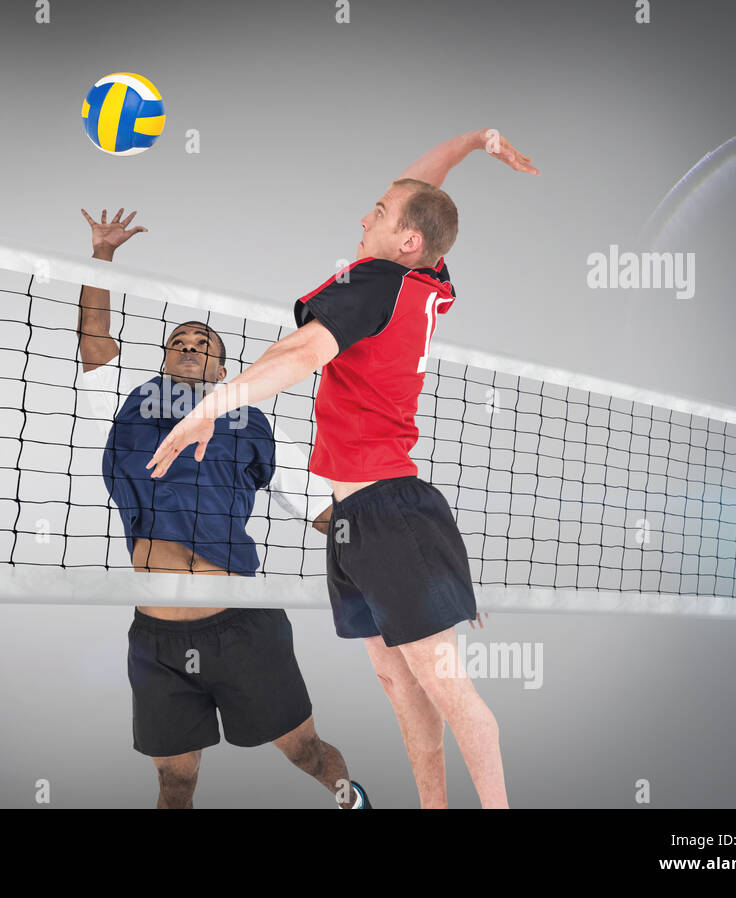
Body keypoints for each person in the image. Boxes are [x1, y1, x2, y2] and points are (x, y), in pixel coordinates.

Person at [145, 129, 539, 808]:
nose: (366, 217)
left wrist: (214, 403)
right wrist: (471, 142)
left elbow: (299, 352)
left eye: (377, 214)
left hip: (392, 516)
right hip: (359, 519)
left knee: (451, 693)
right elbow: (418, 196)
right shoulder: (421, 277)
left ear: (406, 242)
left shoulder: (373, 282)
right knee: (401, 687)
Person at [74, 208, 370, 809]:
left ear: (222, 367)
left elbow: (321, 513)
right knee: (174, 783)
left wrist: (398, 563)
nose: (188, 347)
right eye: (177, 342)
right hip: (154, 637)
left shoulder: (254, 424)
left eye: (201, 343)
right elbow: (94, 334)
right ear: (163, 360)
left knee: (309, 755)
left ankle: (354, 801)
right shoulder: (131, 404)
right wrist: (102, 254)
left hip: (242, 626)